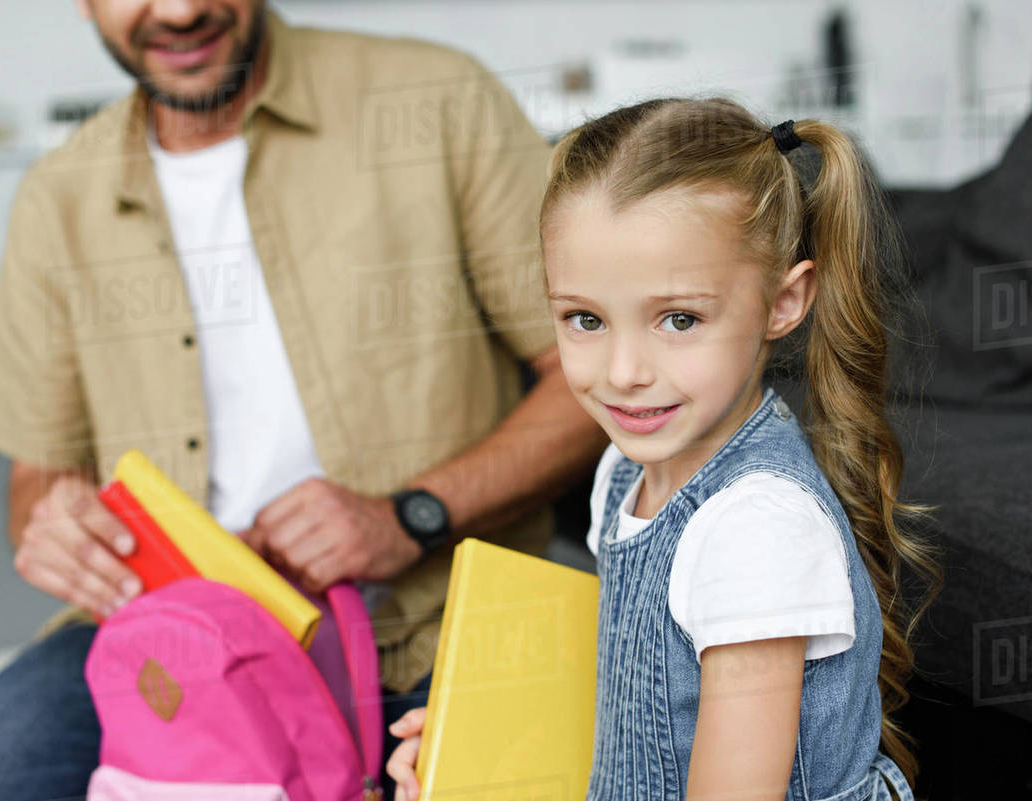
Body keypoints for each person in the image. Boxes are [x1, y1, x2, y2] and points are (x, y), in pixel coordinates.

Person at [0, 2, 606, 800]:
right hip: (160, 635)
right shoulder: (55, 198)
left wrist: (410, 515)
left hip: (431, 621)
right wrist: (53, 526)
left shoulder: (439, 99)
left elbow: (596, 379)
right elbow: (37, 481)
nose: (180, 10)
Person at [386, 98, 939, 801]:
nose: (623, 371)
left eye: (679, 319)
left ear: (783, 300)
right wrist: (479, 744)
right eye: (585, 318)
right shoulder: (626, 471)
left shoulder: (755, 531)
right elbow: (629, 704)